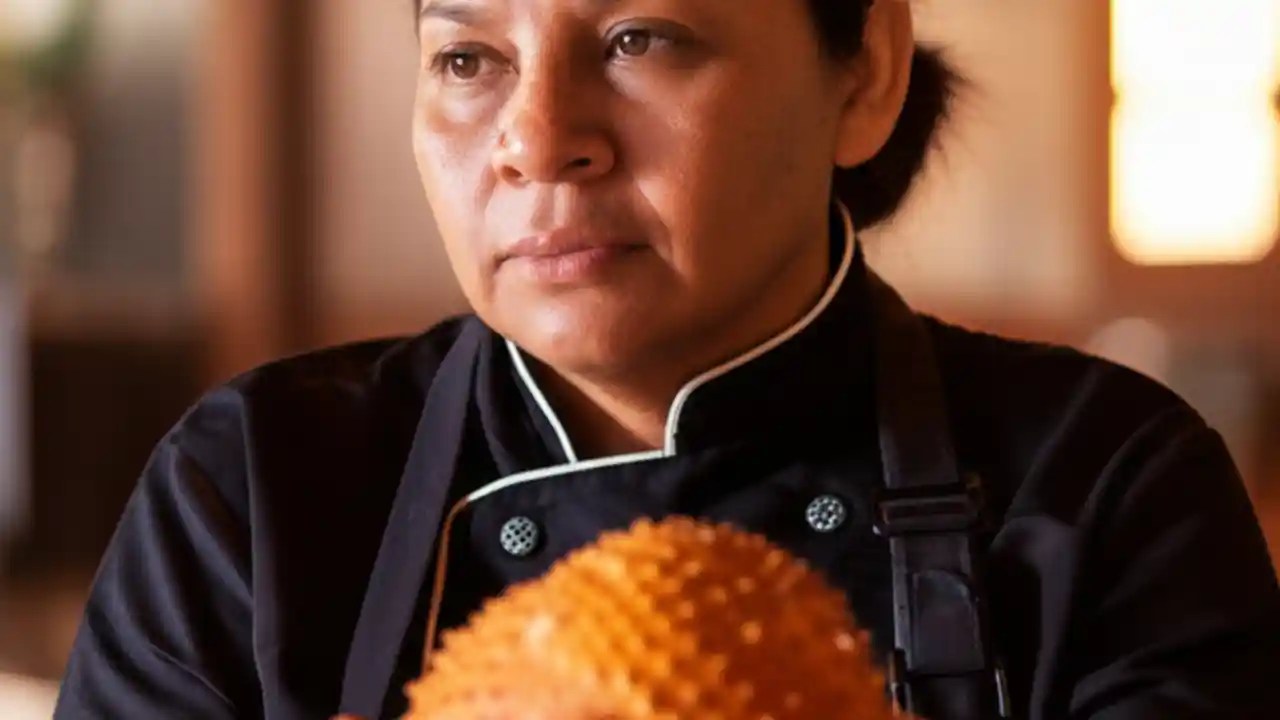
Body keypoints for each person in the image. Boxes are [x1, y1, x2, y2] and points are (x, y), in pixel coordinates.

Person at [56, 0, 1280, 718]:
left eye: (639, 37)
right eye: (468, 59)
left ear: (864, 75)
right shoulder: (258, 488)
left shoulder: (1103, 488)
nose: (537, 142)